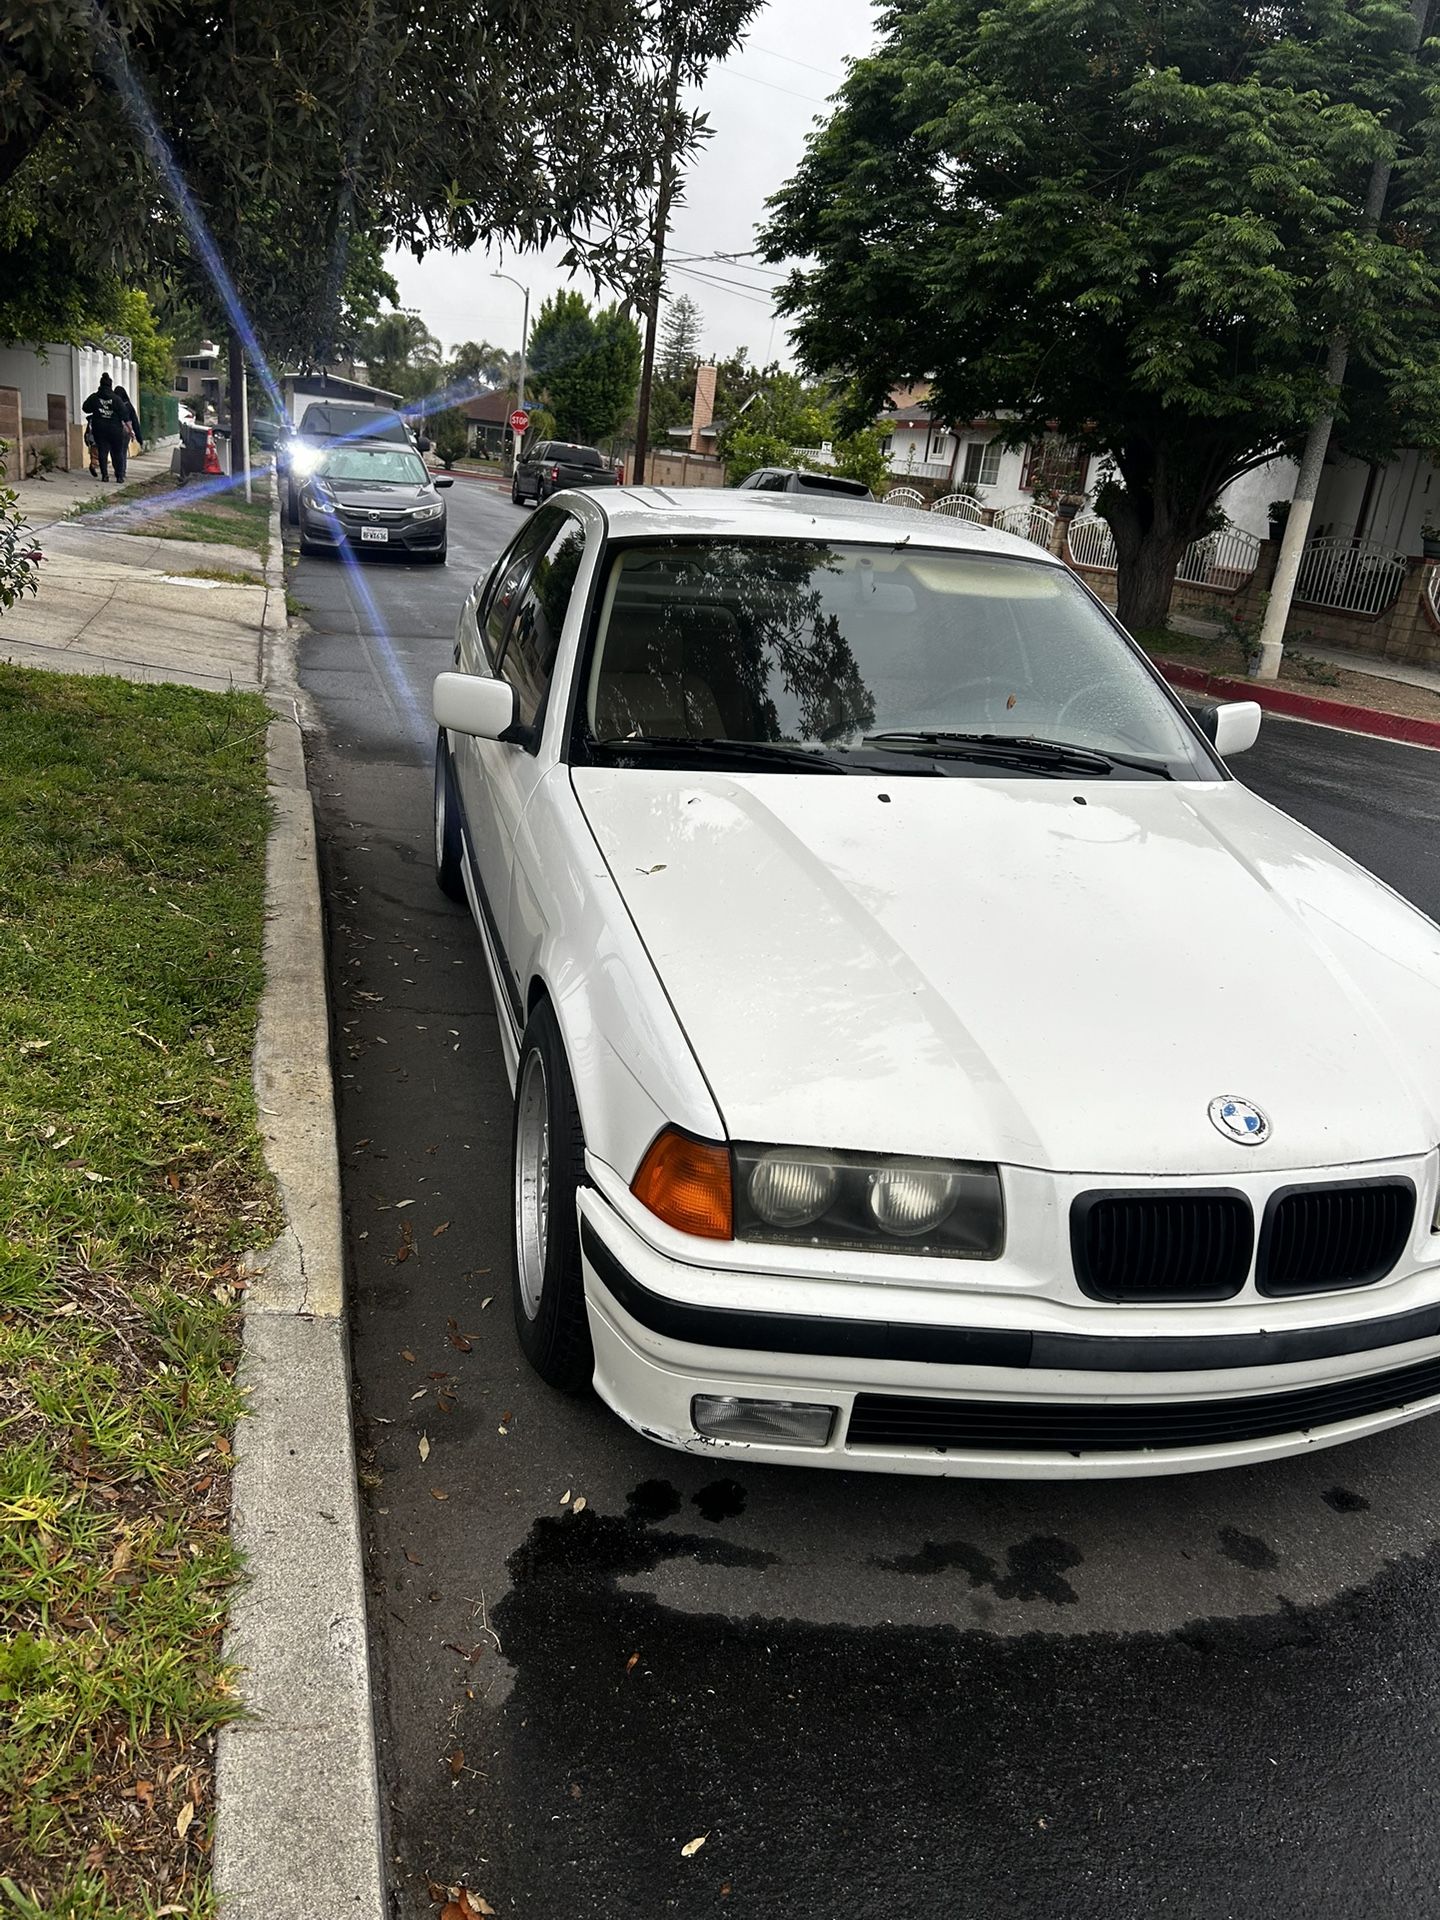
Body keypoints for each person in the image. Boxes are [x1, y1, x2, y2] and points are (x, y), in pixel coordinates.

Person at [82, 374, 143, 483]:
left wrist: (97, 409)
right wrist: (130, 430)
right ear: (110, 385)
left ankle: (105, 475)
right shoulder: (116, 399)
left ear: (100, 384)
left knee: (103, 452)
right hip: (115, 430)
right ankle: (119, 477)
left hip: (99, 428)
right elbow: (125, 415)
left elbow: (85, 408)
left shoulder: (95, 397)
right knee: (118, 452)